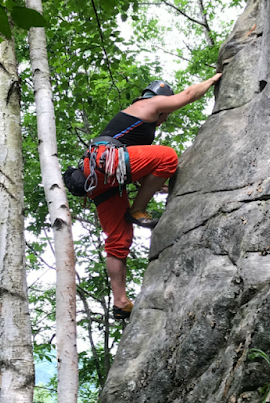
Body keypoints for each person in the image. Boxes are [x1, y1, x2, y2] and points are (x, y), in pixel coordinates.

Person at [84, 73, 222, 321]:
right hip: (108, 162)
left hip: (99, 176)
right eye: (166, 114)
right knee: (167, 156)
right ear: (161, 101)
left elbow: (138, 169)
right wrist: (213, 79)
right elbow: (189, 95)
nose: (164, 119)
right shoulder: (150, 104)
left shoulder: (135, 113)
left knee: (119, 240)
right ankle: (138, 210)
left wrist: (163, 186)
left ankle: (120, 302)